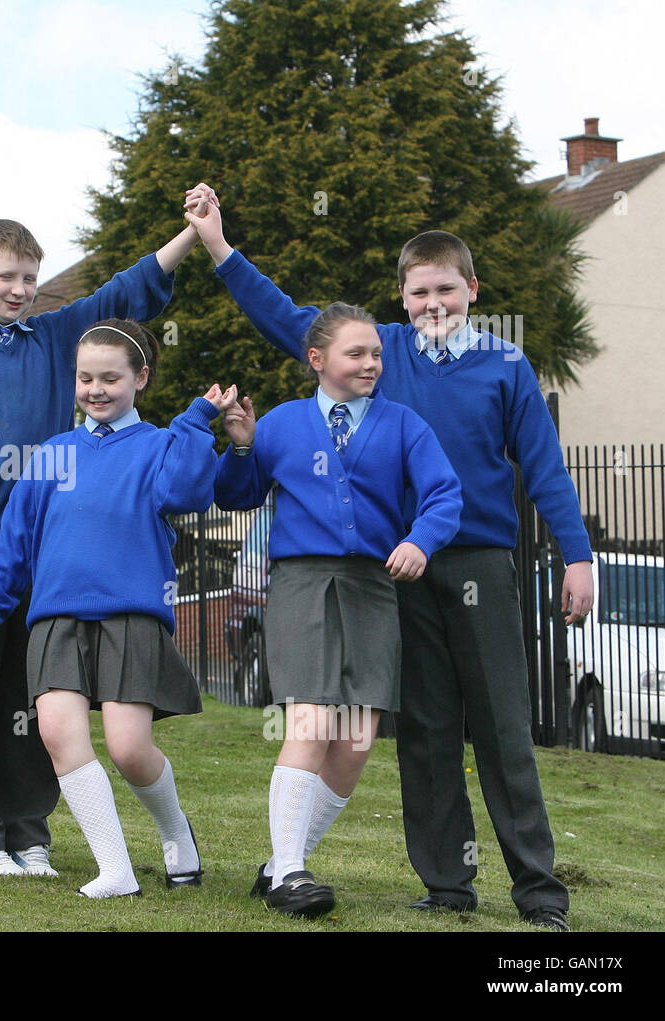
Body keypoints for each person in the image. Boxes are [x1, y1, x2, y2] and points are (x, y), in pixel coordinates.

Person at [186, 186, 593, 930]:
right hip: (394, 569)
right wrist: (218, 246)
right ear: (401, 299)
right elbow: (287, 316)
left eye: (446, 288)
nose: (432, 302)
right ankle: (447, 884)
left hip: (477, 565)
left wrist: (578, 556)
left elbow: (545, 470)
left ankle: (540, 893)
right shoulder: (380, 353)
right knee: (428, 731)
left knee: (502, 728)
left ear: (472, 290)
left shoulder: (506, 366)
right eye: (418, 291)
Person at [0, 213, 208, 877]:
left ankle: (25, 829)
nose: (18, 289)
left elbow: (124, 292)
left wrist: (191, 234)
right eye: (4, 277)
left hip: (44, 561)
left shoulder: (52, 337)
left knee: (35, 700)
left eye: (29, 278)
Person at [0, 320, 231, 896]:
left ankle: (177, 835)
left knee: (129, 749)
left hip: (130, 617)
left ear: (140, 378)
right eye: (85, 378)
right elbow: (12, 545)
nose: (96, 389)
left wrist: (197, 422)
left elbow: (192, 492)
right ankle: (116, 870)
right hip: (55, 620)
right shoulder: (52, 455)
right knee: (58, 735)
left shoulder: (159, 445)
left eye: (110, 378)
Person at [214, 303, 461, 917]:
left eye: (376, 353)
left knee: (354, 742)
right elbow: (236, 496)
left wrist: (418, 541)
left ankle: (278, 865)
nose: (371, 363)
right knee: (313, 720)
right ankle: (293, 875)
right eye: (357, 353)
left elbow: (444, 495)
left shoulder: (405, 425)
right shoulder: (281, 423)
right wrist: (242, 448)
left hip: (374, 587)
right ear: (318, 360)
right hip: (302, 582)